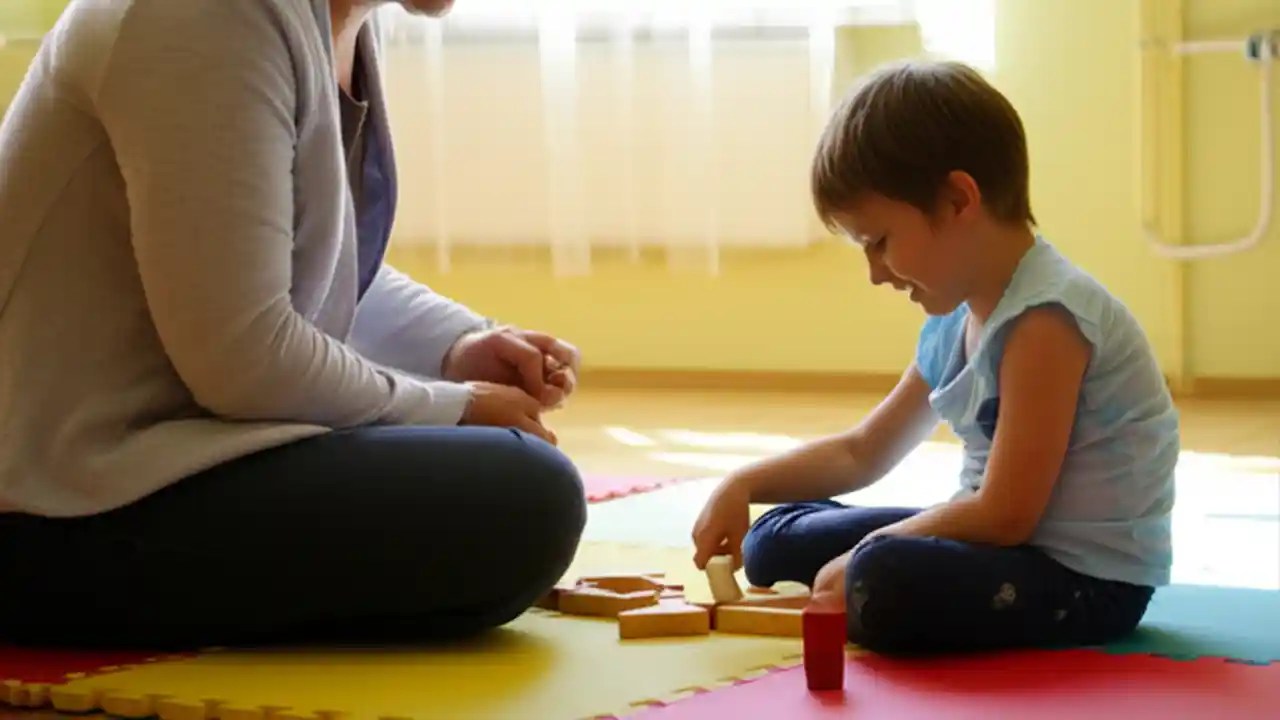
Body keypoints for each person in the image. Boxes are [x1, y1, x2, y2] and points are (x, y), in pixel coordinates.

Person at [0, 0, 587, 648]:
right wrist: (454, 408)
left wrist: (454, 347)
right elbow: (243, 359)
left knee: (510, 488)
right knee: (522, 497)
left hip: (162, 454)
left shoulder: (332, 26)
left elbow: (306, 266)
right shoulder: (201, 19)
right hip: (52, 502)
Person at [691, 60, 1178, 656]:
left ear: (956, 200)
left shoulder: (1047, 318)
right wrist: (744, 483)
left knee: (884, 580)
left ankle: (868, 580)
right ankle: (861, 573)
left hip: (1083, 582)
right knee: (775, 541)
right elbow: (864, 450)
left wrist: (866, 553)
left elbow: (1005, 515)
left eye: (879, 242)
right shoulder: (955, 318)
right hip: (997, 545)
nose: (874, 273)